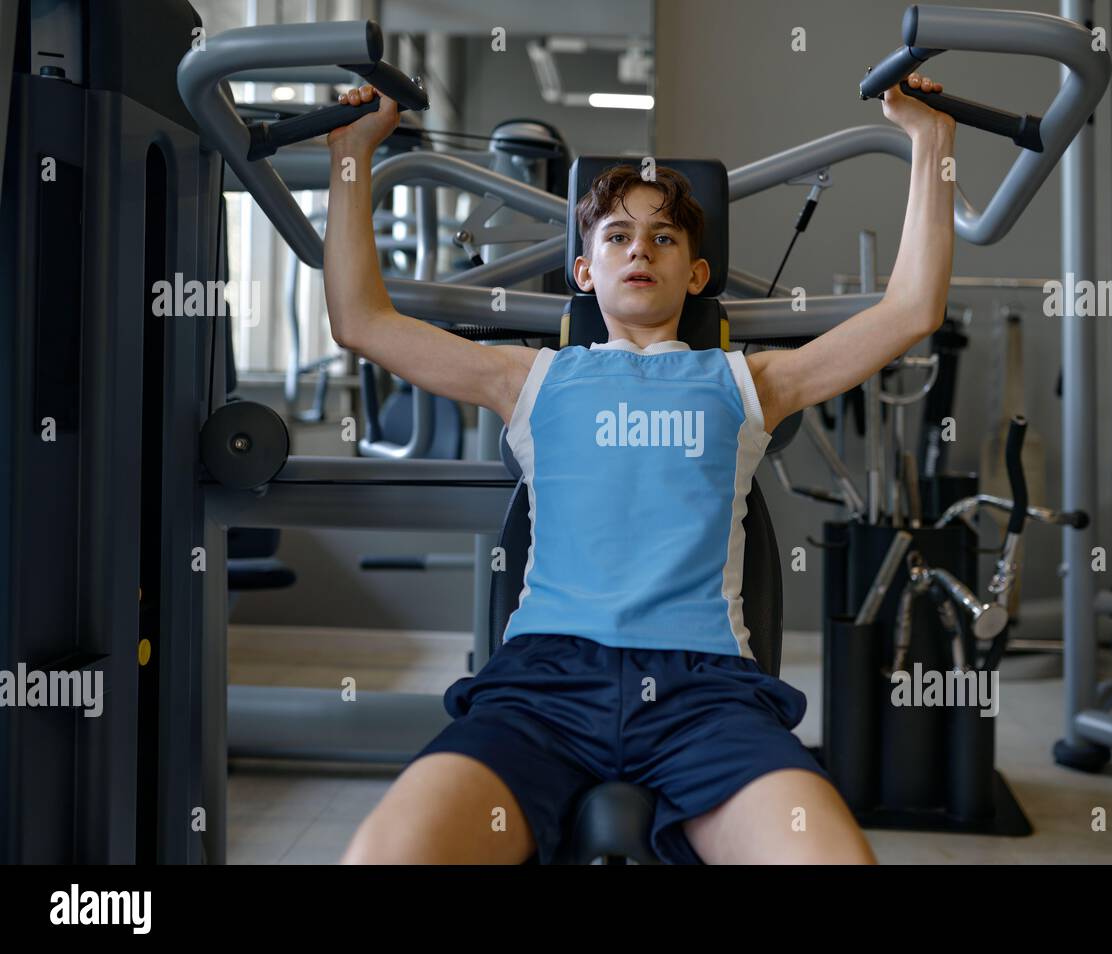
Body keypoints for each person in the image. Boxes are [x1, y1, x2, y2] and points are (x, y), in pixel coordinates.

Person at [325, 74, 954, 864]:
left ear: (696, 274)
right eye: (617, 236)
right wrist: (352, 157)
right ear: (584, 273)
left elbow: (911, 311)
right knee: (384, 857)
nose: (639, 250)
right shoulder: (529, 378)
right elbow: (361, 320)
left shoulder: (748, 381)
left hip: (705, 696)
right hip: (544, 687)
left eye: (663, 238)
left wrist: (930, 143)